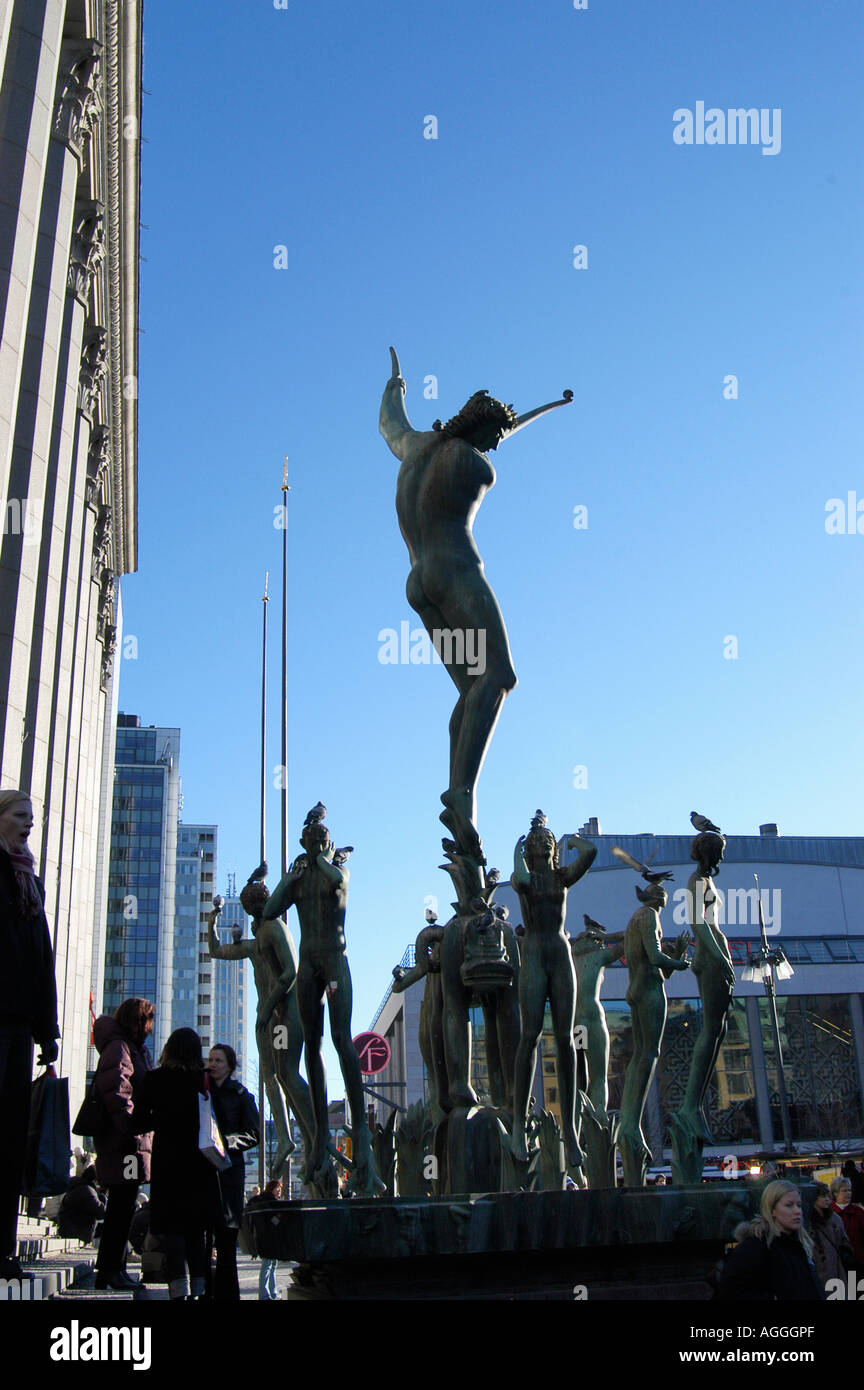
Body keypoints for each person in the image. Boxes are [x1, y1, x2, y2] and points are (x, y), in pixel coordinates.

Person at [380, 349, 572, 859]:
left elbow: (390, 425)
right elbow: (485, 443)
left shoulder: (415, 447)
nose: (496, 448)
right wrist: (500, 430)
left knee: (471, 690)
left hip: (420, 582)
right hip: (458, 573)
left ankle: (457, 796)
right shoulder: (474, 464)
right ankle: (463, 789)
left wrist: (396, 386)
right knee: (500, 677)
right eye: (494, 439)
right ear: (483, 431)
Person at [263, 805, 377, 1195]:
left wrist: (321, 858)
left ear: (327, 844)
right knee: (312, 1045)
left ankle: (360, 1130)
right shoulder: (299, 880)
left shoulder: (336, 870)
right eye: (310, 840)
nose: (316, 844)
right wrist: (288, 879)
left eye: (321, 840)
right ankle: (319, 1140)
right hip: (309, 964)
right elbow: (269, 910)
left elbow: (334, 881)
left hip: (333, 960)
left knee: (342, 1039)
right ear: (302, 842)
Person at [508, 812, 596, 1170]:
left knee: (566, 1038)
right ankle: (518, 1126)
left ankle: (571, 1131)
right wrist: (518, 848)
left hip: (560, 954)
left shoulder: (561, 876)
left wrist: (573, 842)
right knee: (530, 1035)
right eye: (536, 842)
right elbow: (521, 878)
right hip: (533, 955)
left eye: (547, 841)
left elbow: (589, 855)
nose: (542, 844)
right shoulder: (524, 878)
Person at [0, 789, 60, 1280]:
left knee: (9, 1137)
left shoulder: (30, 882)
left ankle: (3, 1250)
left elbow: (43, 959)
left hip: (20, 1023)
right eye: (21, 816)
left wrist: (48, 1029)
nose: (28, 824)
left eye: (32, 818)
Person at [132, 1028, 220, 1300]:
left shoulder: (155, 1079)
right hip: (200, 1163)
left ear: (169, 1048)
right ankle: (200, 1288)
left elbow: (139, 1121)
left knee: (173, 1230)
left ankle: (178, 1291)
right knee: (197, 1230)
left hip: (168, 1161)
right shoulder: (205, 1080)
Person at [92, 997, 154, 1289]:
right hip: (126, 1144)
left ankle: (113, 1269)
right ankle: (110, 1270)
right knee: (121, 1205)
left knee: (124, 1204)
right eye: (148, 1019)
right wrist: (130, 1127)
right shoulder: (121, 1048)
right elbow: (117, 1089)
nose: (151, 1026)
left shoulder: (132, 1048)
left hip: (130, 1140)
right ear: (138, 1021)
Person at [207, 1043, 259, 1301]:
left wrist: (228, 1142)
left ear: (229, 1065)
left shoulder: (241, 1094)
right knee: (204, 1237)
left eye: (218, 1060)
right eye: (211, 1059)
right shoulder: (201, 1090)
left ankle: (228, 1296)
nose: (213, 1064)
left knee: (227, 1239)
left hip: (229, 1171)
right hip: (204, 1170)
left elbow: (253, 1133)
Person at [715, 1181, 825, 1300]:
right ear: (772, 1210)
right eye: (789, 1205)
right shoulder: (754, 1248)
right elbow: (732, 1291)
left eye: (799, 1205)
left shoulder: (799, 1247)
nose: (797, 1211)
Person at [809, 1183, 854, 1286]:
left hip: (836, 1268)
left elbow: (844, 1240)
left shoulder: (834, 1218)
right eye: (823, 1196)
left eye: (828, 1196)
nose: (827, 1199)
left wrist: (846, 1252)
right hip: (819, 1269)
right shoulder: (808, 1220)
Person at [246, 1178, 283, 1299]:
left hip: (267, 1237)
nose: (279, 1191)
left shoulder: (266, 1200)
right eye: (277, 1188)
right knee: (268, 1265)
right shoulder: (269, 1202)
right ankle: (266, 1294)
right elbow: (270, 1221)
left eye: (280, 1189)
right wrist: (279, 1218)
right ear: (271, 1189)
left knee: (271, 1265)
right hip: (268, 1238)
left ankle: (271, 1293)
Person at [55, 1163, 105, 1245]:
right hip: (75, 1231)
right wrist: (103, 1197)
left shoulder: (80, 1186)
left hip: (70, 1228)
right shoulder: (87, 1190)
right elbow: (101, 1212)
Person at [830, 1174, 864, 1266]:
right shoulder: (828, 1212)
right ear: (835, 1193)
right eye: (844, 1190)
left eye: (849, 1190)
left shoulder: (858, 1212)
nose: (848, 1193)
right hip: (835, 1263)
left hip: (857, 1262)